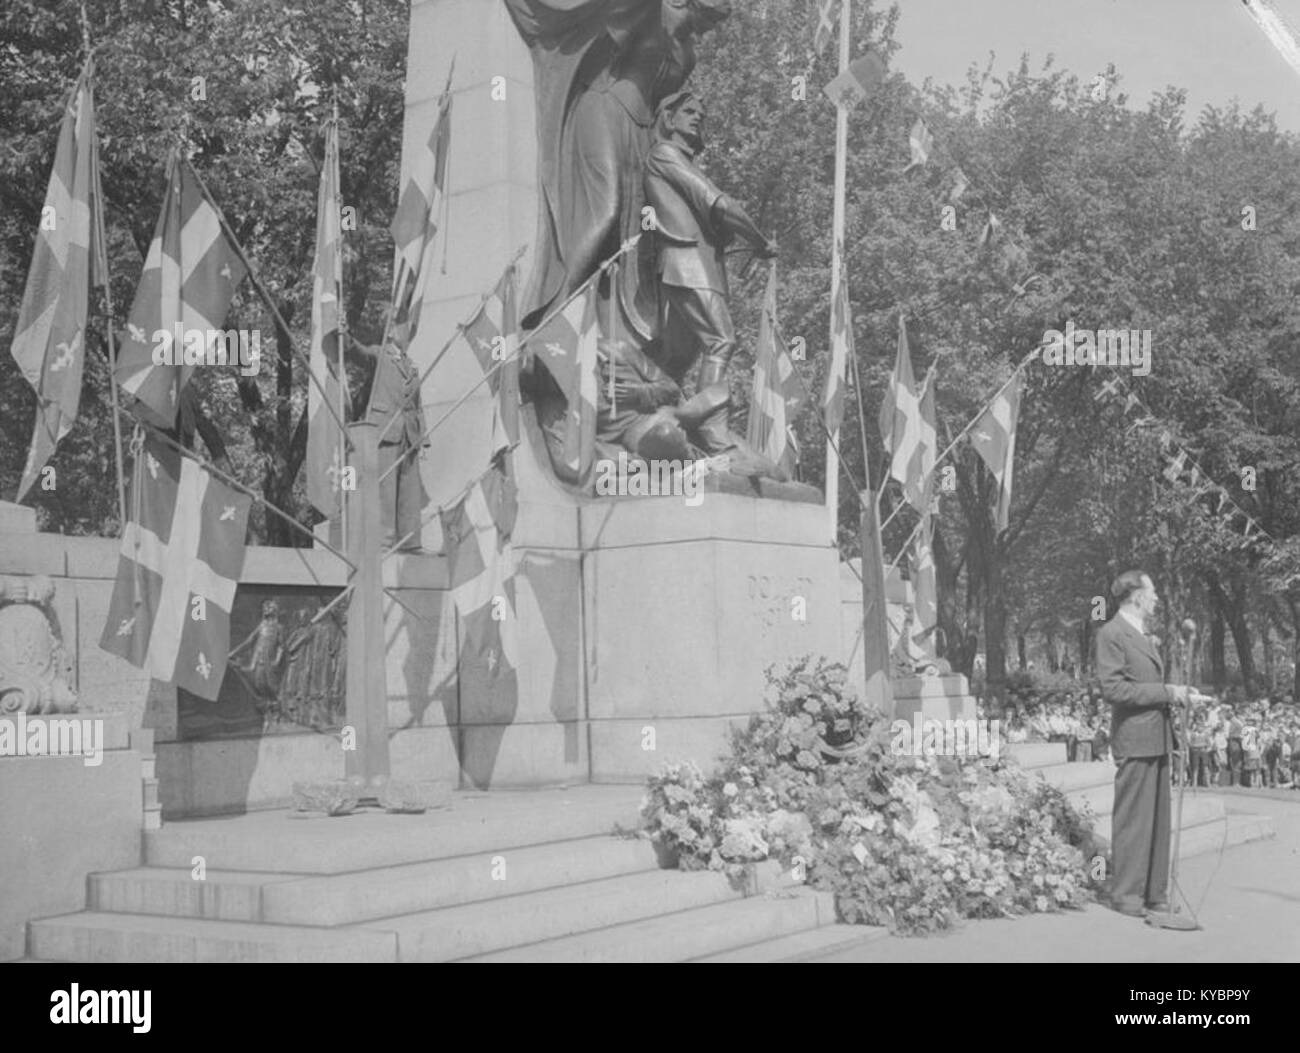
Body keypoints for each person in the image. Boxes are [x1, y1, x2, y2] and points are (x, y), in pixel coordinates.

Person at [643, 90, 778, 457]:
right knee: (721, 341)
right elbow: (717, 203)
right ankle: (711, 430)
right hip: (686, 264)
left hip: (695, 265)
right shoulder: (665, 154)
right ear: (668, 119)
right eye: (688, 111)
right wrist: (759, 238)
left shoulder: (676, 159)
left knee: (675, 362)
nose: (697, 117)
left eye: (700, 113)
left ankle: (650, 423)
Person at [1094, 570, 1192, 918]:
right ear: (1136, 596)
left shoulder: (1142, 634)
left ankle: (1154, 893)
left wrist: (1179, 696)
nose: (1156, 598)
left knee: (1158, 821)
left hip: (1156, 737)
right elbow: (1114, 690)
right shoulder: (1111, 633)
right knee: (1134, 820)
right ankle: (1126, 896)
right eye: (1152, 592)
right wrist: (1167, 693)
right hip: (1134, 738)